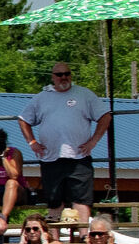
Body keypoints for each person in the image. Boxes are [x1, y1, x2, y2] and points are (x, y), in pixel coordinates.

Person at [19, 63, 110, 223]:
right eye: (59, 74)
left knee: (82, 201)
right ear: (53, 77)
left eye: (67, 74)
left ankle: (84, 240)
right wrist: (32, 141)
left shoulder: (84, 94)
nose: (64, 77)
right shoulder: (41, 97)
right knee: (54, 201)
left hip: (79, 157)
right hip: (50, 158)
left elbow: (105, 116)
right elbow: (23, 119)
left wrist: (93, 141)